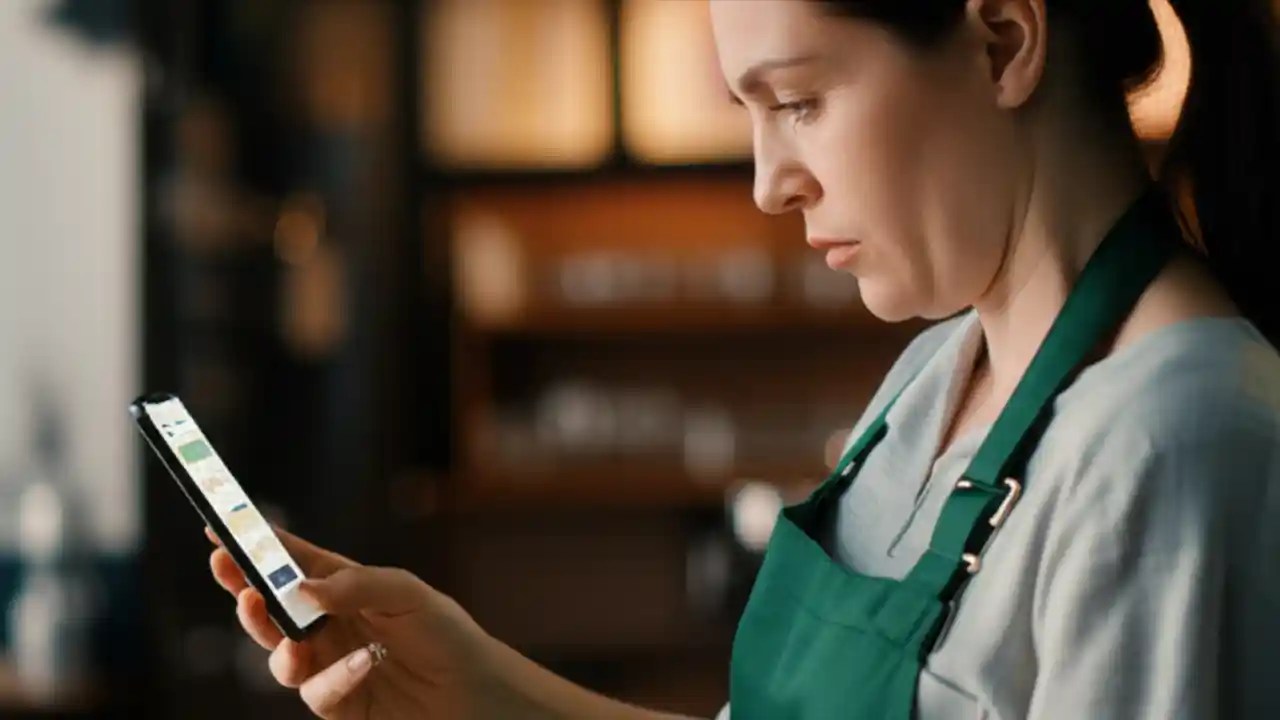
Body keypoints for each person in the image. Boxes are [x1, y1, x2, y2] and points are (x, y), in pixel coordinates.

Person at [208, 0, 1280, 717]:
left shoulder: (1172, 439)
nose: (770, 183)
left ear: (1001, 42)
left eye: (799, 101)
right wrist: (478, 688)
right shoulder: (935, 375)